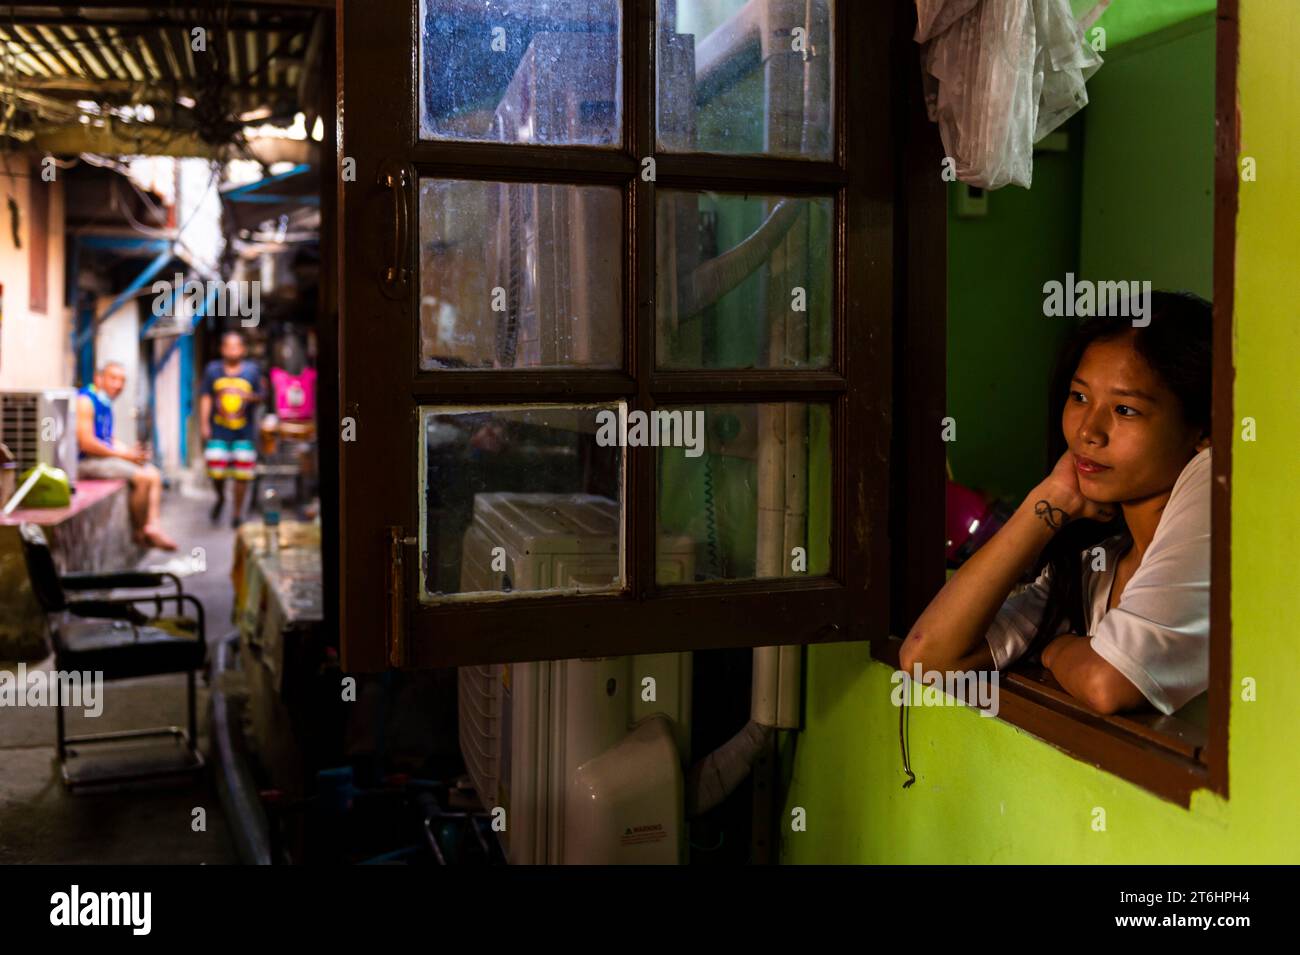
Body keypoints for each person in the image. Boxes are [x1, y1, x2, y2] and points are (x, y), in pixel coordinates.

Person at [900, 291, 1212, 716]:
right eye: (1079, 397)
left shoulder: (1218, 491)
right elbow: (927, 659)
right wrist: (1048, 500)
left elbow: (1106, 683)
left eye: (1125, 409)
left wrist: (1057, 649)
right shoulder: (1093, 570)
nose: (1089, 432)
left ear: (1202, 429)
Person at [75, 361, 177, 551]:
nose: (118, 385)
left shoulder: (104, 403)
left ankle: (153, 526)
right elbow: (87, 444)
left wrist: (131, 454)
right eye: (113, 378)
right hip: (84, 463)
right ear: (99, 378)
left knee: (154, 474)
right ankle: (139, 532)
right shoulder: (86, 402)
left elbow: (108, 439)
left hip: (100, 459)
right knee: (143, 477)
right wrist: (125, 456)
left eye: (122, 380)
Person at [200, 330, 267, 528]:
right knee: (216, 472)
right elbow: (206, 397)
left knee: (242, 474)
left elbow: (262, 396)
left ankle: (237, 513)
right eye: (229, 346)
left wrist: (251, 397)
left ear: (243, 350)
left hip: (244, 431)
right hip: (218, 429)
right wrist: (204, 424)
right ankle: (220, 497)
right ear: (222, 350)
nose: (232, 350)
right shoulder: (212, 370)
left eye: (236, 346)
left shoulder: (252, 371)